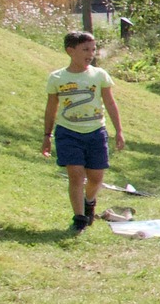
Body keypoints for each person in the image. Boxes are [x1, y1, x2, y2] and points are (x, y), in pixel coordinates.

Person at [42, 29, 123, 231]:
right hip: (68, 132)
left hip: (96, 132)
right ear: (71, 51)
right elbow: (51, 108)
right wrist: (47, 136)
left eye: (93, 49)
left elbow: (110, 104)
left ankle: (89, 201)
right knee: (76, 174)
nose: (91, 53)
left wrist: (119, 130)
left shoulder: (99, 75)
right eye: (85, 49)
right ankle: (79, 218)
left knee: (96, 177)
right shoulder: (57, 77)